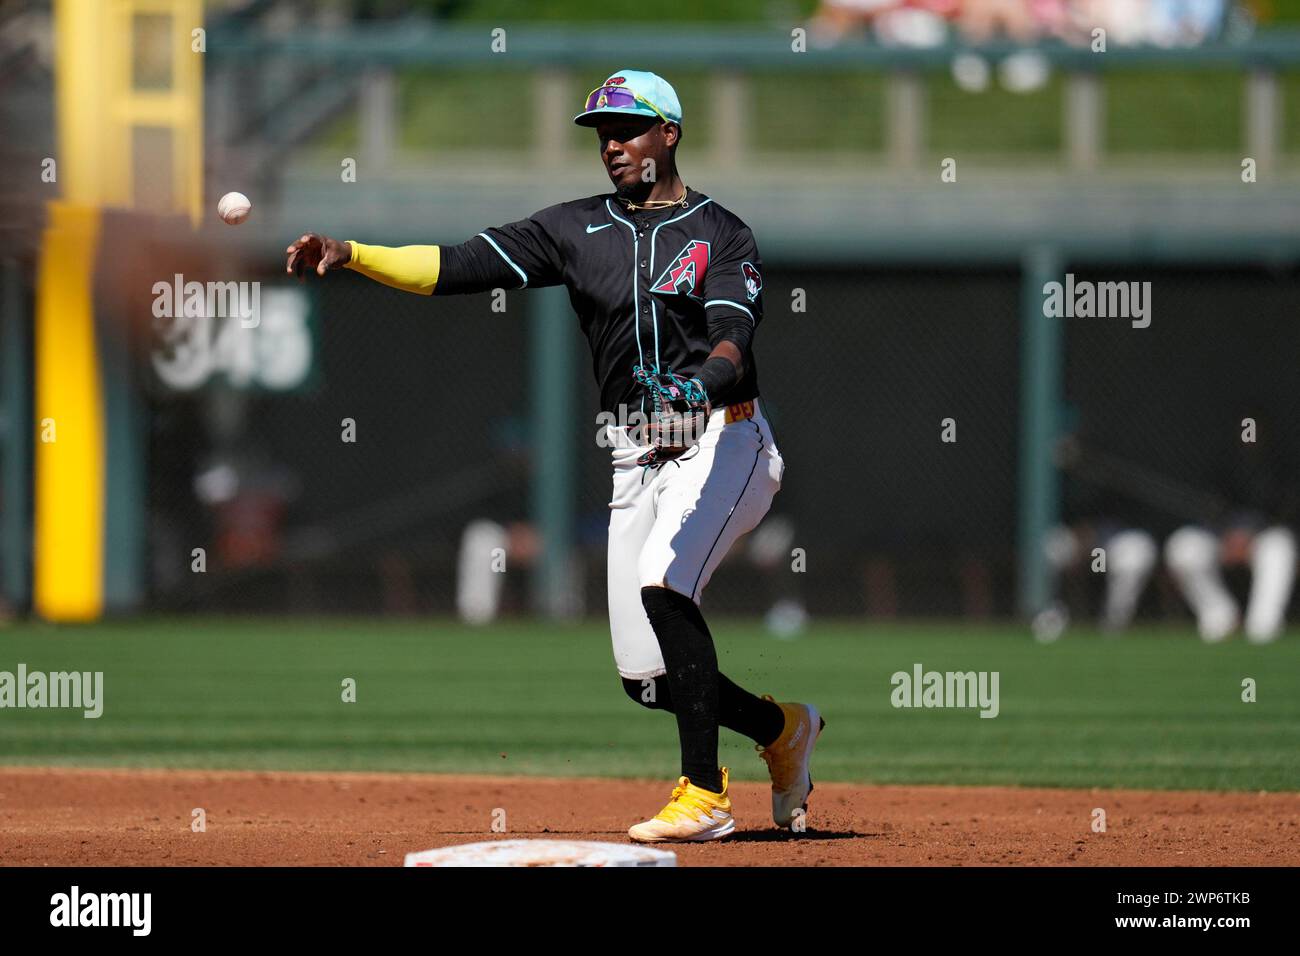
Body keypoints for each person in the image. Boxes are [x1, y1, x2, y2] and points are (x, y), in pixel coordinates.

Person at [285, 70, 824, 842]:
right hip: (638, 454)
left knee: (665, 587)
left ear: (669, 133)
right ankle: (781, 730)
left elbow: (734, 341)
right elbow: (457, 265)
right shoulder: (573, 230)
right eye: (602, 132)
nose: (612, 145)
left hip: (724, 438)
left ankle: (703, 795)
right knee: (646, 681)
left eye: (628, 128)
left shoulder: (721, 233)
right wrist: (354, 251)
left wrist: (697, 388)